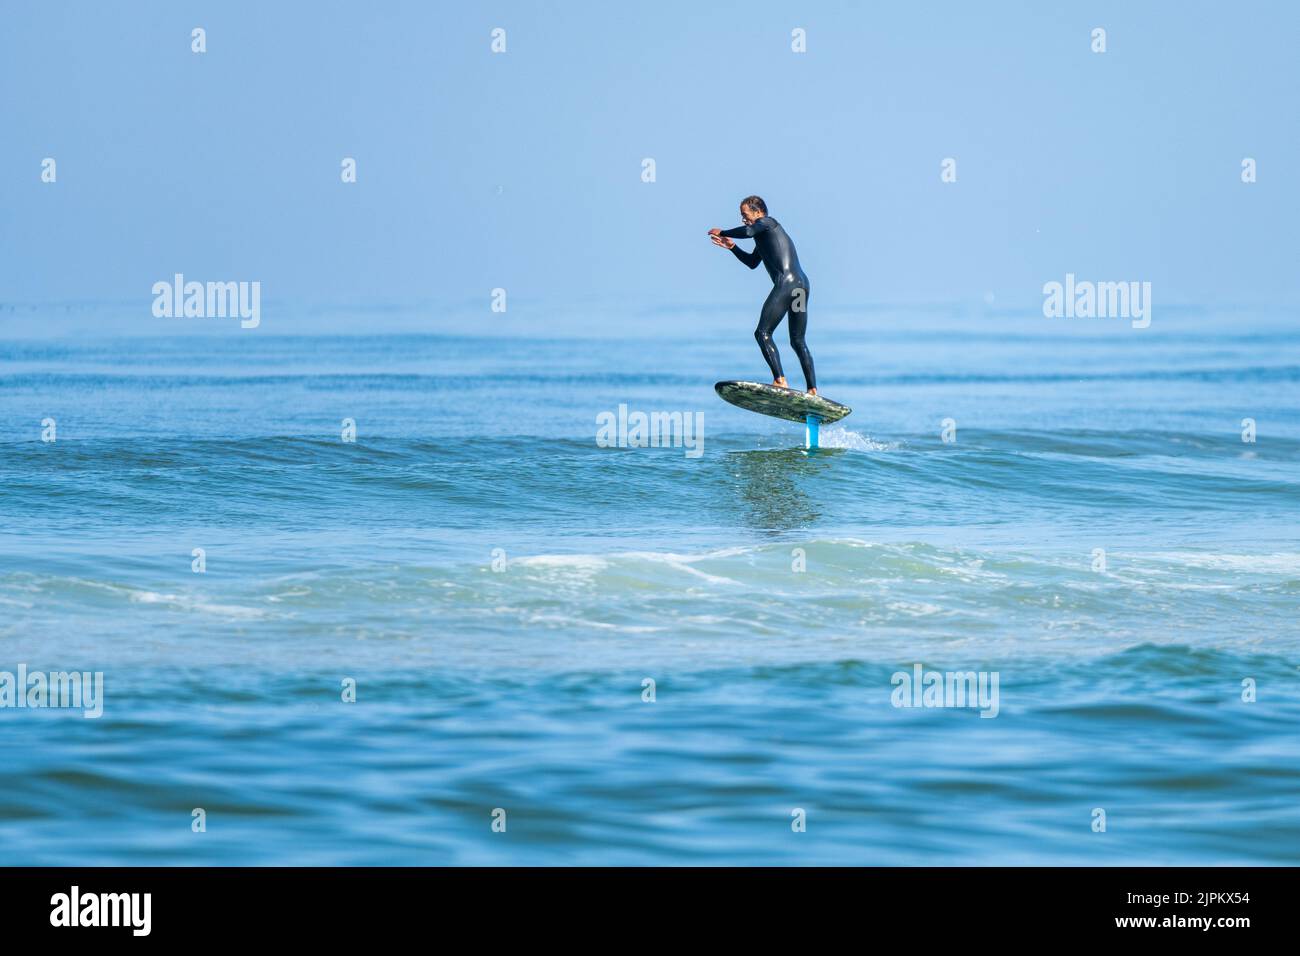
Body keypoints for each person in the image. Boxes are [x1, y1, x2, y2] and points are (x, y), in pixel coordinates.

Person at [709, 196, 816, 395]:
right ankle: (812, 390)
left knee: (762, 333)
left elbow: (749, 231)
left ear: (758, 212)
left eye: (745, 215)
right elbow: (752, 262)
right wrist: (732, 246)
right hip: (801, 286)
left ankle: (780, 380)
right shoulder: (764, 236)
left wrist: (722, 231)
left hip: (788, 284)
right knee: (798, 341)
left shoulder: (768, 222)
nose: (743, 220)